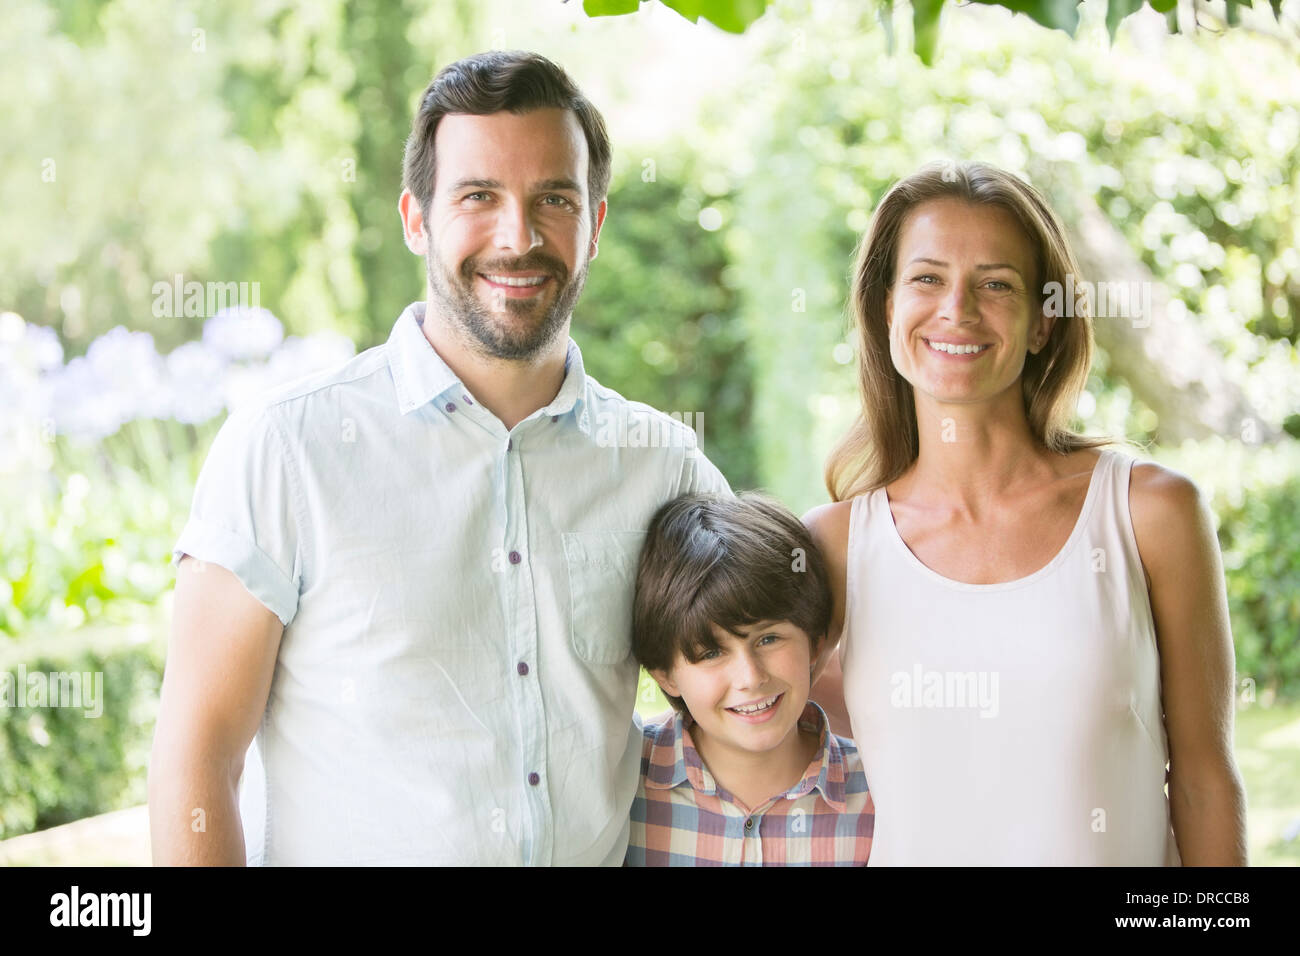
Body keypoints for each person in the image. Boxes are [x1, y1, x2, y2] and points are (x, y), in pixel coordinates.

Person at [148, 50, 728, 866]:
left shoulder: (664, 467)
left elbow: (754, 701)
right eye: (478, 197)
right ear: (417, 218)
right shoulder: (287, 449)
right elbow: (196, 759)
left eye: (553, 198)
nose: (518, 237)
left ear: (594, 223)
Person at [805, 161, 1247, 865]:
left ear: (1045, 323)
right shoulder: (829, 547)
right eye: (926, 278)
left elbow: (1202, 779)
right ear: (886, 308)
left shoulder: (1148, 512)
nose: (958, 309)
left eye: (996, 284)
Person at [626, 493, 874, 866]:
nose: (750, 677)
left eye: (768, 638)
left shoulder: (878, 796)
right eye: (711, 653)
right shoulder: (622, 785)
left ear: (815, 643)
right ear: (665, 675)